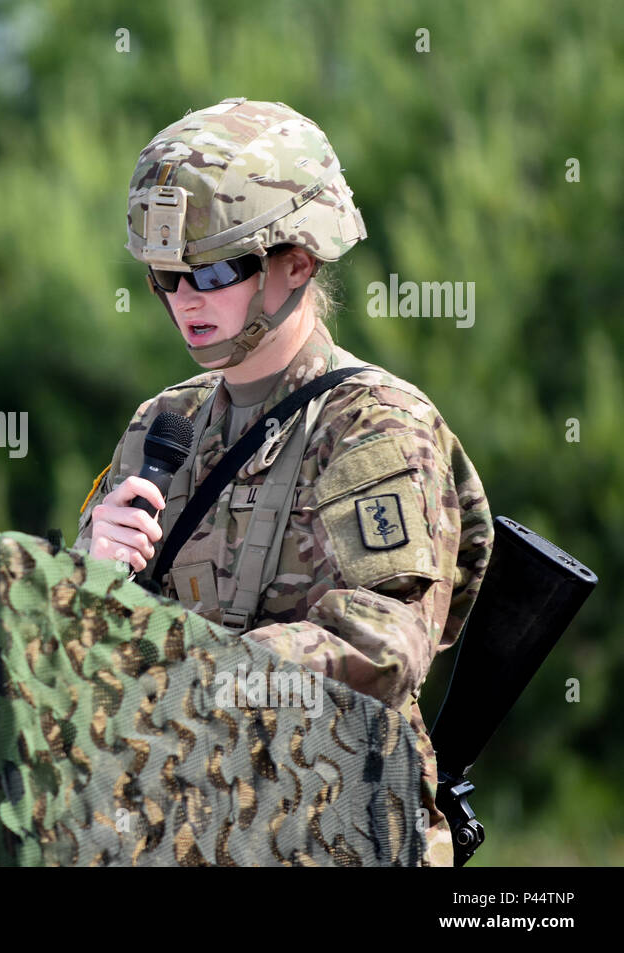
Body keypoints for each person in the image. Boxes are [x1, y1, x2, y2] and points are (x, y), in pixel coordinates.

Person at [74, 98, 493, 867]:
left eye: (212, 270)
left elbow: (381, 645)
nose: (184, 299)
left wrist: (195, 677)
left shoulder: (375, 425)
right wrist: (85, 579)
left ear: (296, 262)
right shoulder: (162, 425)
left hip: (331, 831)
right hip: (176, 831)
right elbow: (84, 661)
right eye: (164, 275)